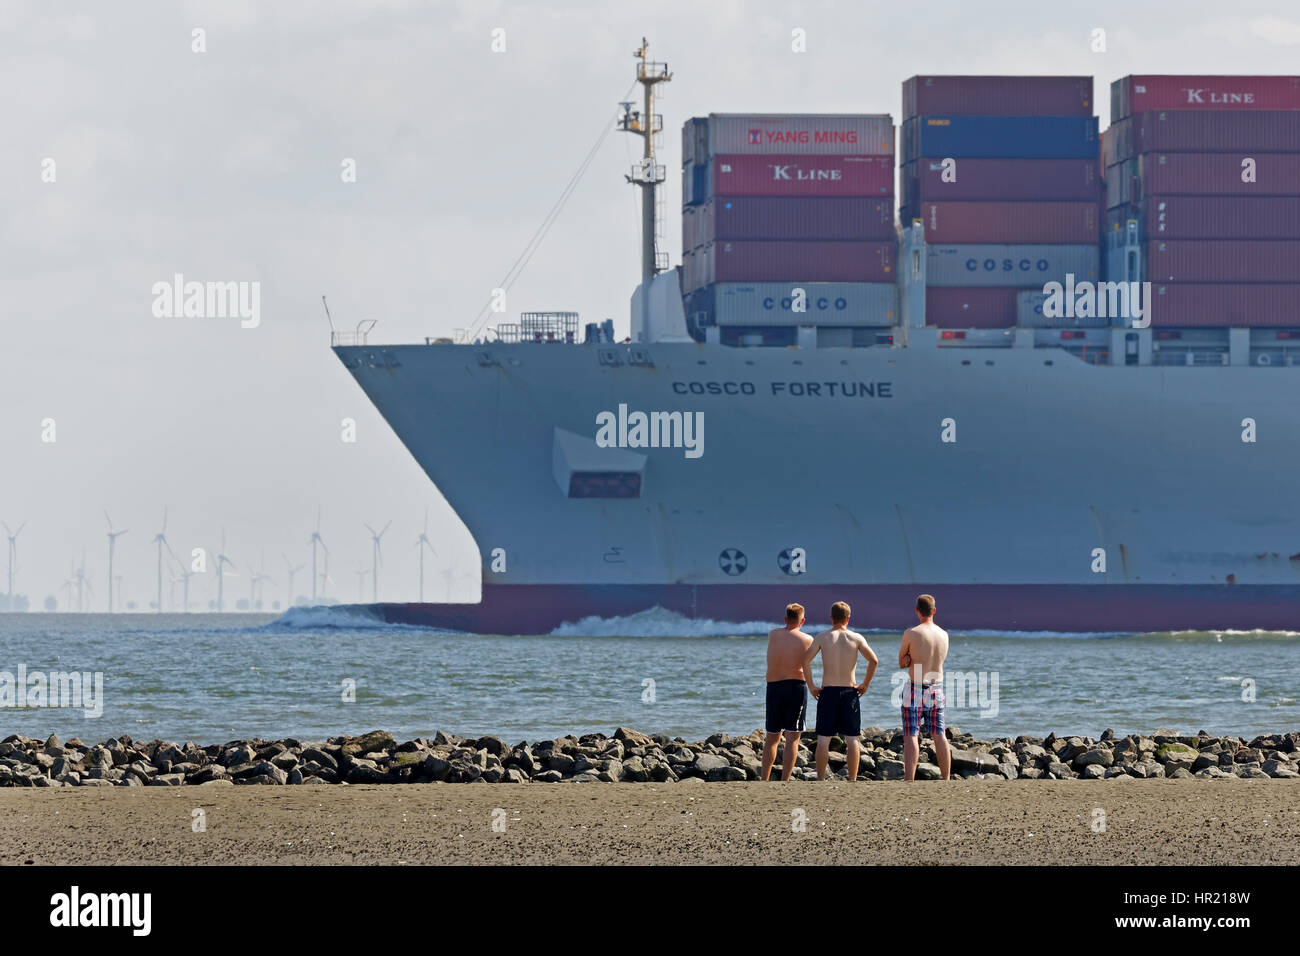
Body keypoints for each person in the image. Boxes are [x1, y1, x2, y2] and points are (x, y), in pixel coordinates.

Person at [803, 601, 878, 781]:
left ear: (831, 617)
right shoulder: (856, 638)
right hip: (849, 691)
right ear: (848, 618)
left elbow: (805, 661)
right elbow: (874, 661)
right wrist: (865, 684)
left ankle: (821, 778)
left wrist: (811, 685)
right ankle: (852, 779)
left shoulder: (822, 637)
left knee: (823, 739)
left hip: (828, 692)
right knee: (852, 739)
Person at [899, 593, 950, 781]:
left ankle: (910, 779)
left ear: (917, 611)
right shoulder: (944, 635)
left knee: (911, 734)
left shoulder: (912, 633)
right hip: (937, 687)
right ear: (934, 611)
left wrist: (910, 659)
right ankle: (946, 778)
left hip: (916, 687)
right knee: (939, 734)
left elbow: (902, 662)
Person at [761, 603, 814, 780]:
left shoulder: (773, 634)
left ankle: (764, 779)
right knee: (792, 738)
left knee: (772, 737)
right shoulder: (807, 639)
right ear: (803, 620)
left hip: (774, 687)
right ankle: (785, 780)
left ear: (785, 619)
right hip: (795, 688)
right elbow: (808, 665)